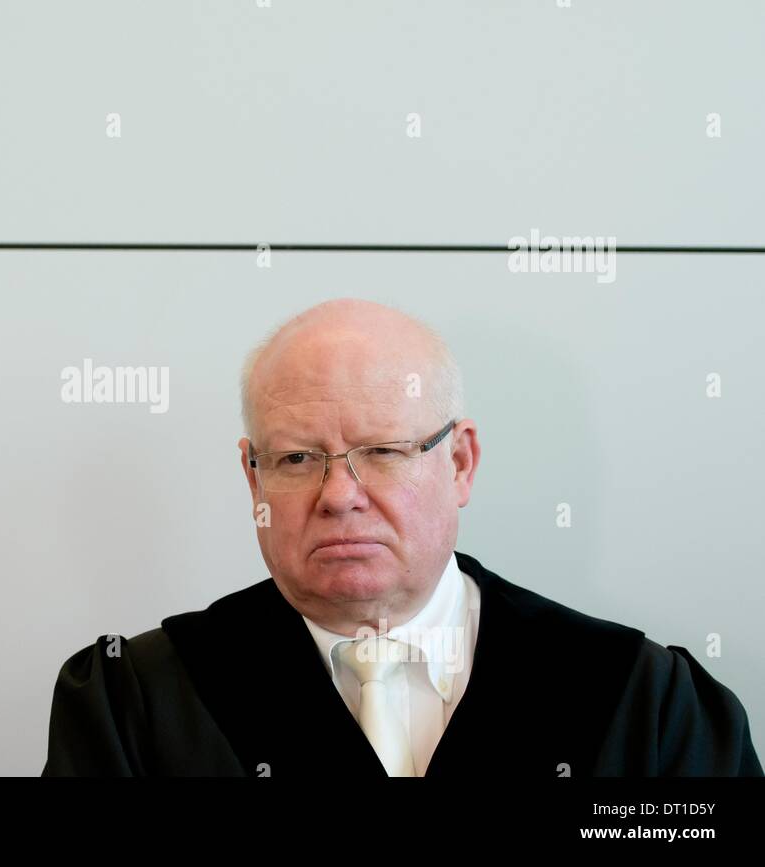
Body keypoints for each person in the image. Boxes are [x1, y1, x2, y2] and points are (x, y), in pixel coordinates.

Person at [42, 298, 762, 777]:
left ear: (459, 462)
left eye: (383, 451)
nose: (339, 495)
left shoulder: (641, 704)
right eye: (297, 458)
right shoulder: (134, 706)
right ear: (253, 477)